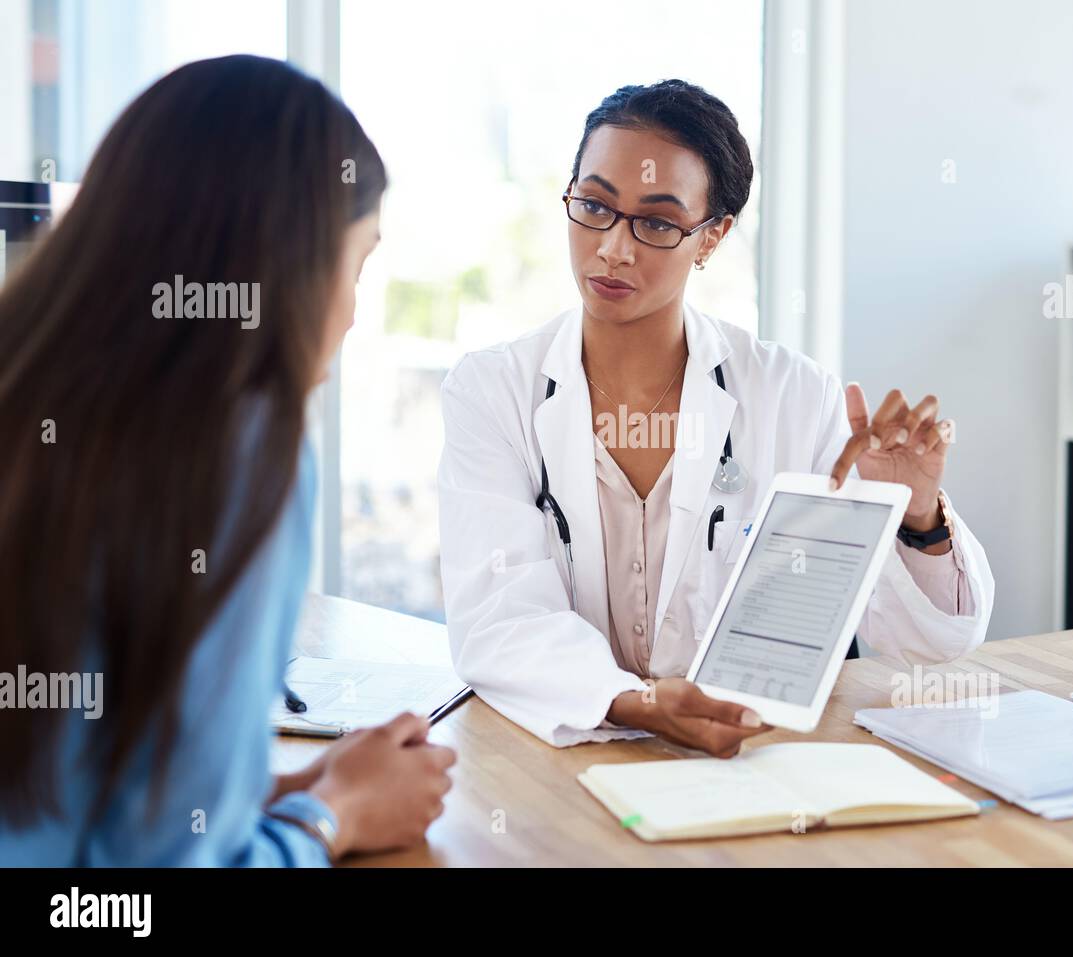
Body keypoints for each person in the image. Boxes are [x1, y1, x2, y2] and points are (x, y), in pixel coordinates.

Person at [438, 80, 995, 758]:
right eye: (594, 206)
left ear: (713, 236)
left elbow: (930, 643)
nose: (614, 248)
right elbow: (499, 618)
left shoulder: (792, 396)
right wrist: (634, 700)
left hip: (745, 761)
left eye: (657, 222)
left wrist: (914, 511)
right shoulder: (493, 390)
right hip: (569, 750)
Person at [0, 55, 454, 865]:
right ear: (294, 263)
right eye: (358, 263)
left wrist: (263, 793)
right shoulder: (236, 446)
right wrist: (331, 819)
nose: (352, 313)